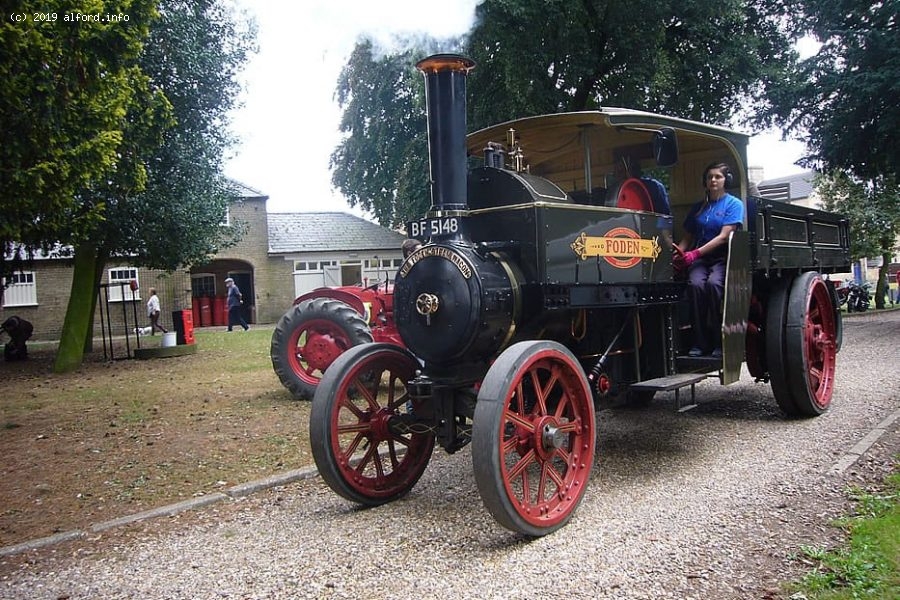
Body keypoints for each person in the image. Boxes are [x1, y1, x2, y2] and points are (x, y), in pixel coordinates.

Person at [674, 162, 744, 358]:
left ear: (726, 180)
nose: (713, 180)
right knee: (695, 285)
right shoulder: (699, 207)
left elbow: (724, 236)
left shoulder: (734, 204)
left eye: (718, 177)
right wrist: (678, 254)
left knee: (714, 285)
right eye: (709, 177)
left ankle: (719, 342)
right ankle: (699, 342)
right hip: (699, 260)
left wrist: (695, 254)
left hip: (722, 258)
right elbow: (688, 236)